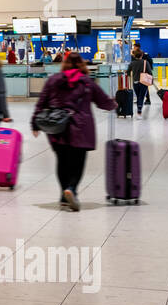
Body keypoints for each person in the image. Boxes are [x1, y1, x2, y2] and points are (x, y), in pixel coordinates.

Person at [31, 52, 116, 212]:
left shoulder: (53, 80)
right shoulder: (87, 82)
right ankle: (72, 189)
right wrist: (114, 105)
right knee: (77, 162)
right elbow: (103, 102)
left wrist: (34, 124)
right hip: (80, 128)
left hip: (57, 127)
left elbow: (41, 103)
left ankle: (64, 196)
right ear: (82, 65)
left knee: (62, 161)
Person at [126, 48, 154, 117]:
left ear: (135, 56)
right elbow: (150, 72)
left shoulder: (132, 63)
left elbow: (128, 71)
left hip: (135, 81)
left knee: (138, 96)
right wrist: (151, 80)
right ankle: (139, 111)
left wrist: (130, 76)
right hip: (143, 81)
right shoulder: (145, 62)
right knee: (141, 96)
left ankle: (139, 109)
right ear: (141, 55)